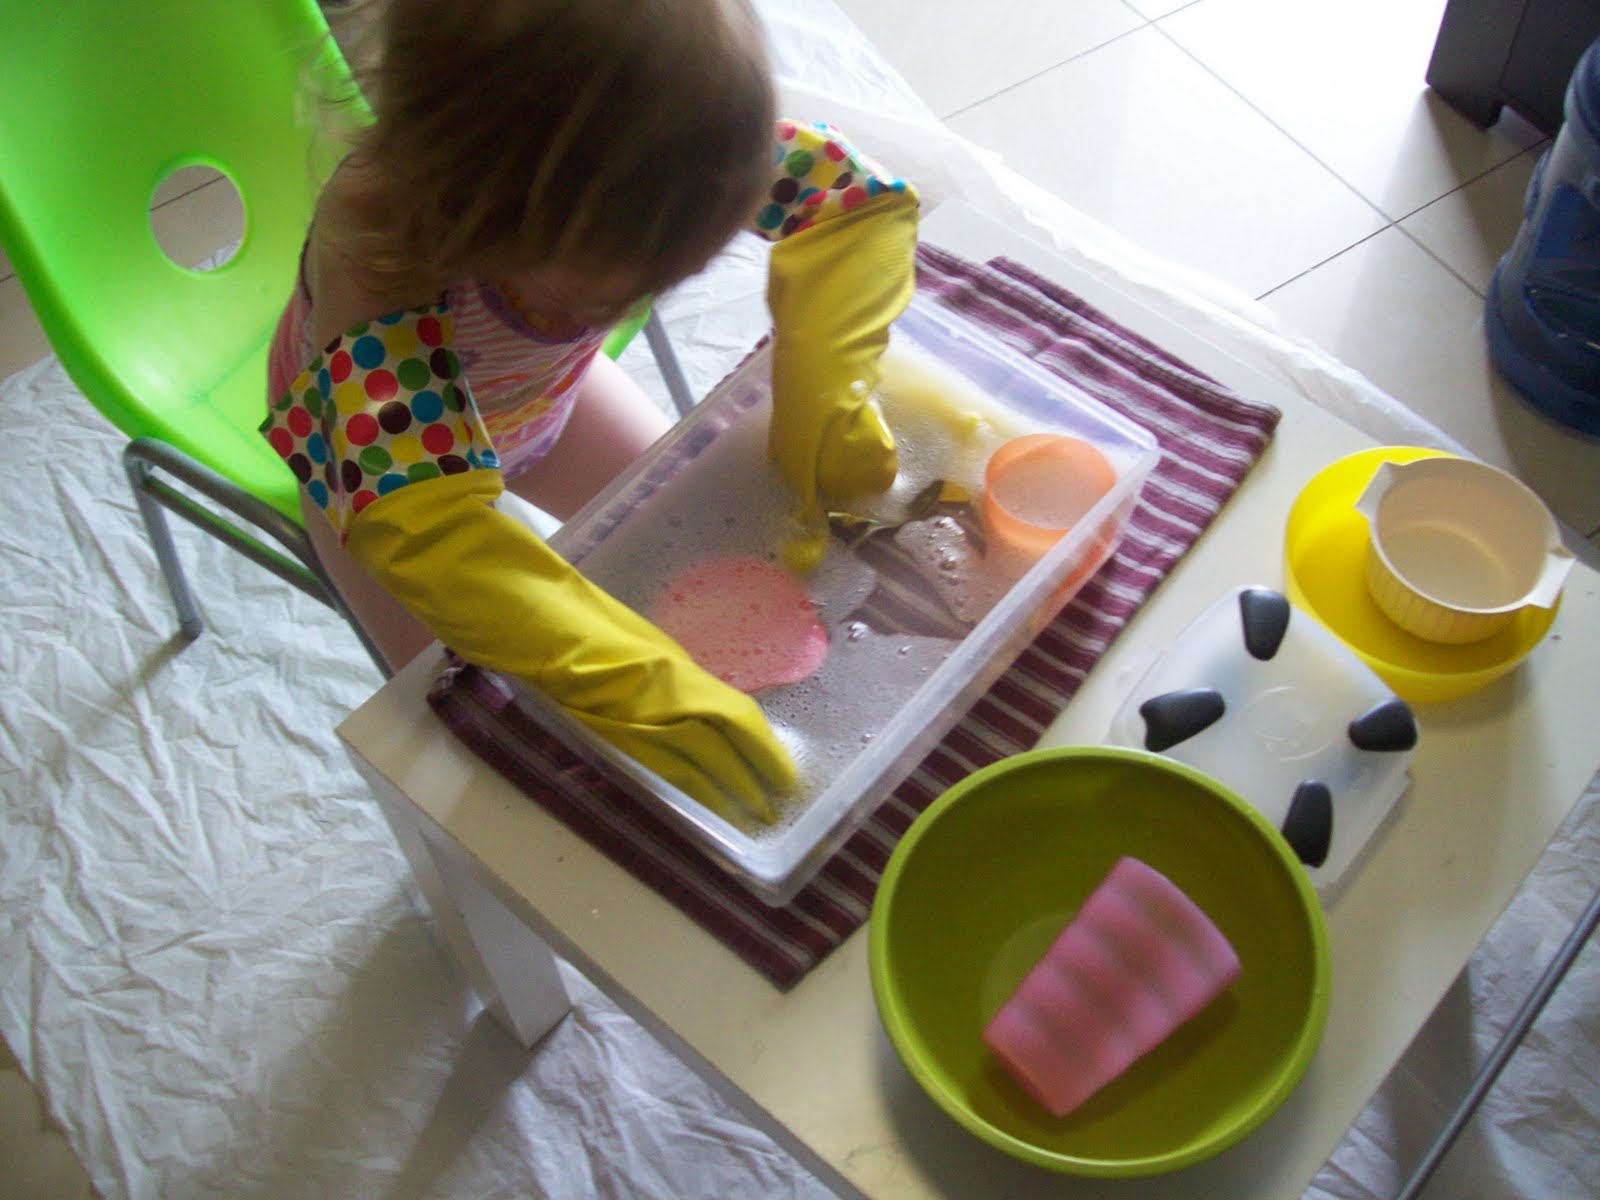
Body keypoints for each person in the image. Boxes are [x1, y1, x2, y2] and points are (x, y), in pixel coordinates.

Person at [262, 0, 919, 824]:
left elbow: (851, 205)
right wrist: (621, 680)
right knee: (466, 705)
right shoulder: (378, 238)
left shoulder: (672, 144)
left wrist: (831, 380)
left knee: (707, 556)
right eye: (605, 293)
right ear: (480, 214)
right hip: (370, 486)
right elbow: (423, 521)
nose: (637, 300)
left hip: (542, 407)